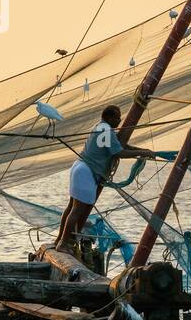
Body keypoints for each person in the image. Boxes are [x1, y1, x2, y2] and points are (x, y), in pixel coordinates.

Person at [54, 105, 154, 250]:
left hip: (81, 167)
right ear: (108, 117)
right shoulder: (106, 129)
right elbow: (117, 152)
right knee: (76, 210)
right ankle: (63, 244)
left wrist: (142, 151)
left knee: (71, 207)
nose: (119, 120)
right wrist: (142, 153)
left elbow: (119, 146)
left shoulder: (102, 127)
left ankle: (59, 241)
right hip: (86, 171)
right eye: (117, 117)